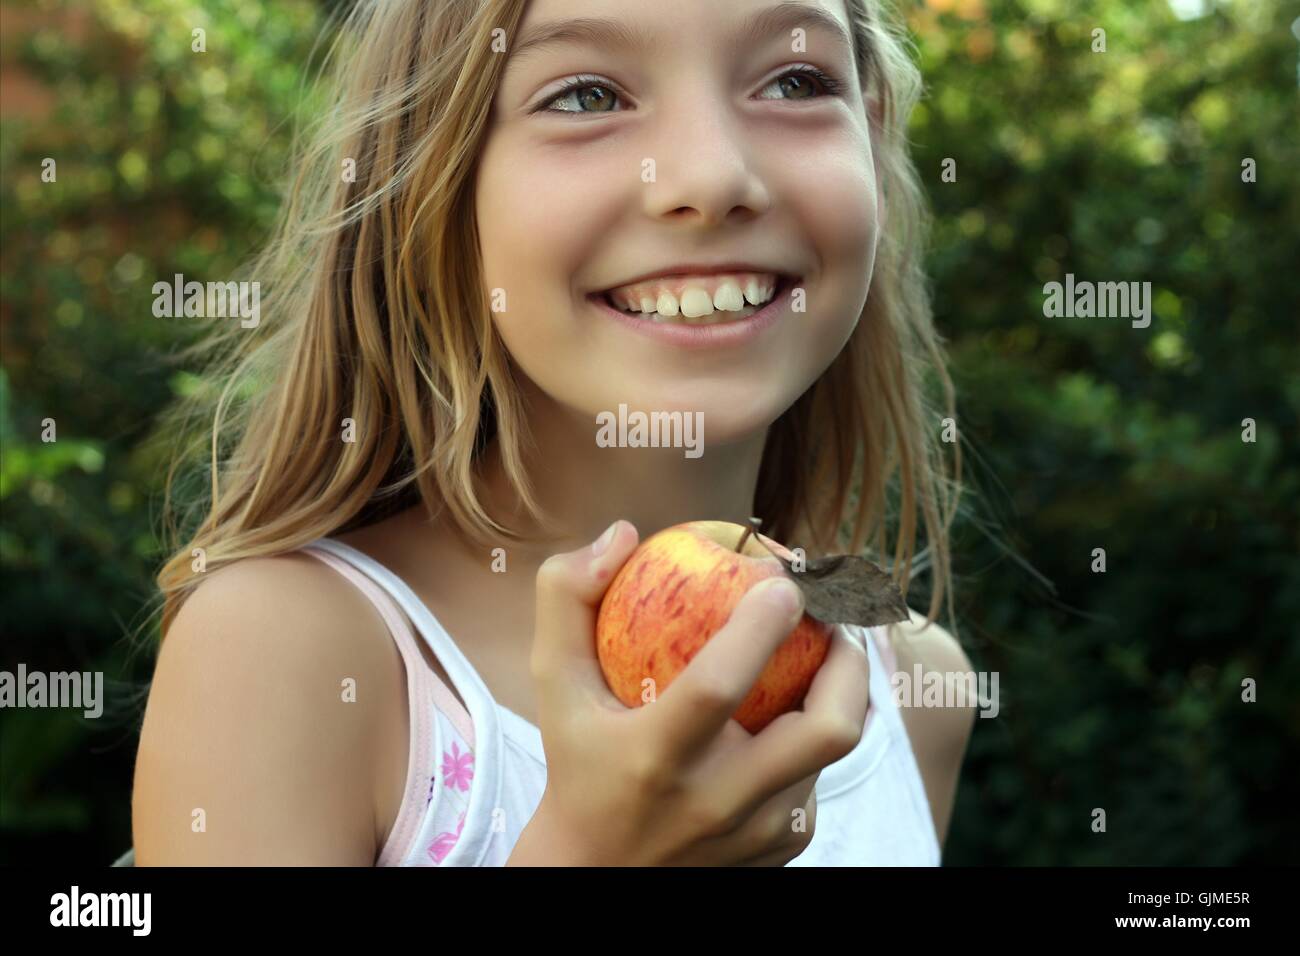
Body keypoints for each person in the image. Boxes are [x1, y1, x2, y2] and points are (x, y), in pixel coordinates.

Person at [132, 0, 976, 866]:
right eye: (584, 97)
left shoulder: (913, 694)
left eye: (797, 80)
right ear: (436, 182)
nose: (712, 176)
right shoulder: (295, 655)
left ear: (870, 136)